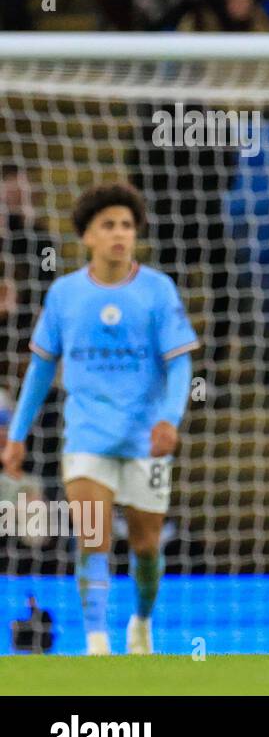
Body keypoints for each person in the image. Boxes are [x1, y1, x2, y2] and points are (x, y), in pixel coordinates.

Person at [1, 182, 199, 655]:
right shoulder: (65, 294)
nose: (119, 234)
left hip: (144, 441)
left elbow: (180, 363)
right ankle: (96, 642)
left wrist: (169, 419)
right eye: (108, 225)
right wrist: (17, 433)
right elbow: (42, 366)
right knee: (93, 538)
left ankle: (142, 622)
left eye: (127, 226)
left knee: (147, 548)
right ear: (87, 236)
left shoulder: (157, 290)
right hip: (87, 439)